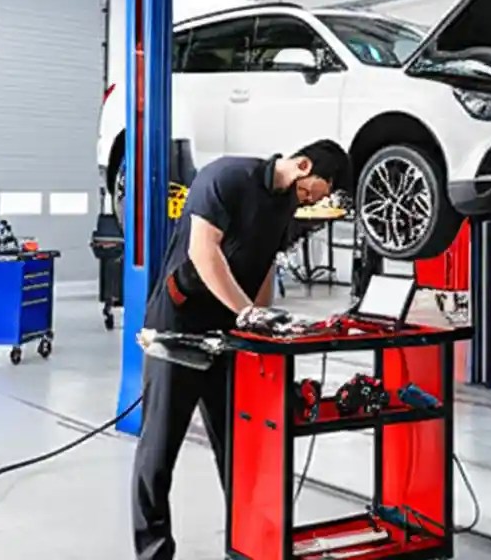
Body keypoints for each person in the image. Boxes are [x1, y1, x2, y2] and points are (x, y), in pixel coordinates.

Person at [130, 139, 352, 560]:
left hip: (229, 332)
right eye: (309, 192)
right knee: (158, 454)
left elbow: (264, 262)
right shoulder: (227, 177)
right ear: (303, 165)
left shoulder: (285, 207)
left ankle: (249, 546)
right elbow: (203, 251)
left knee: (239, 449)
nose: (306, 202)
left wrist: (262, 322)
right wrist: (247, 312)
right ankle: (153, 553)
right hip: (178, 325)